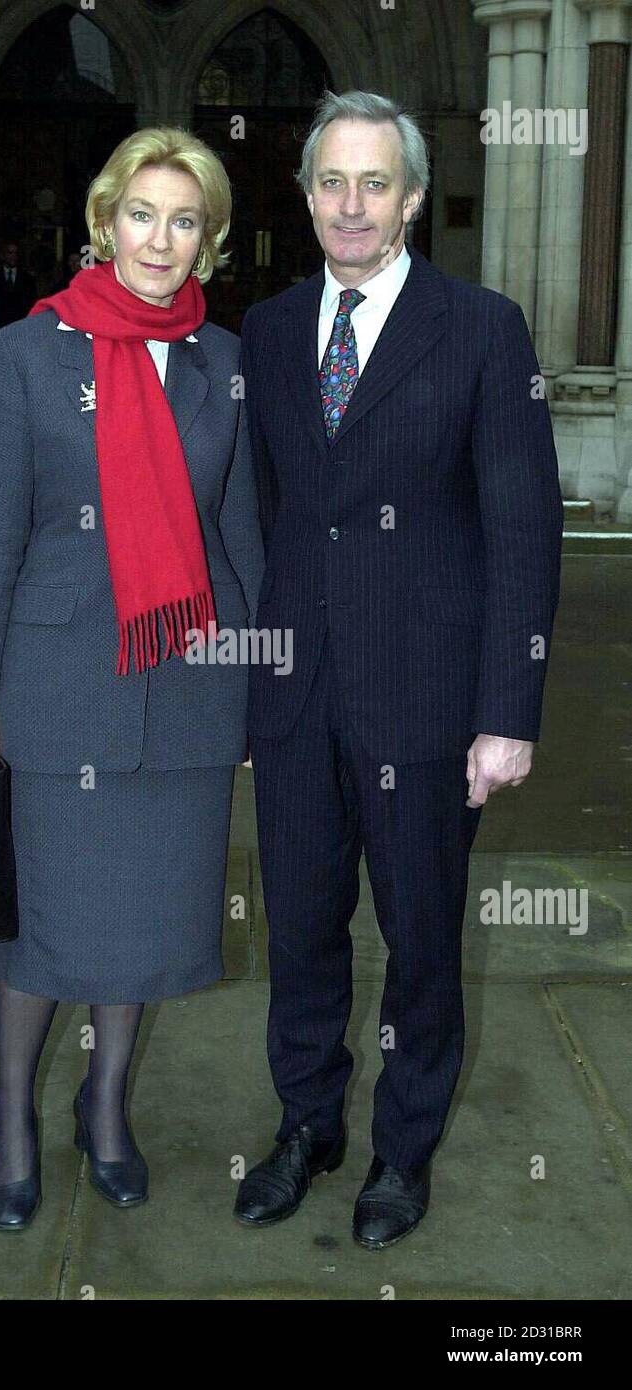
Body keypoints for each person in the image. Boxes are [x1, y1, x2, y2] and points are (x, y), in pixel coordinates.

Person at [235, 90, 563, 1249]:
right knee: (301, 933)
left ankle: (399, 1155)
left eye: (375, 183)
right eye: (331, 181)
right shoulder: (270, 333)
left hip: (425, 704)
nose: (351, 204)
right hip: (296, 699)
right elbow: (272, 519)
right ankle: (303, 1126)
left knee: (420, 942)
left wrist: (504, 713)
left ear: (412, 198)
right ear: (306, 195)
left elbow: (523, 532)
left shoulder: (481, 329)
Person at [0, 127, 264, 1230]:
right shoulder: (27, 356)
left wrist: (252, 680)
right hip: (55, 680)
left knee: (145, 919)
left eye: (185, 220)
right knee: (43, 925)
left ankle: (106, 1106)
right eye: (142, 213)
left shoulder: (228, 365)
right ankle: (9, 1119)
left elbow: (241, 539)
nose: (159, 239)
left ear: (209, 240)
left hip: (186, 687)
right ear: (103, 220)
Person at [0, 240, 37, 326]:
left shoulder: (28, 279)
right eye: (10, 253)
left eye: (15, 253)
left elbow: (31, 303)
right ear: (3, 255)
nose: (13, 256)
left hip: (21, 325)